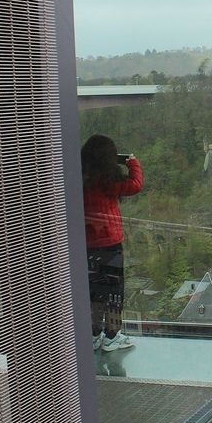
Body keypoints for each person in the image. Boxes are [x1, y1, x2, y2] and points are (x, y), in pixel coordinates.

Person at [81, 135, 143, 352]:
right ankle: (112, 336)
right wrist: (132, 162)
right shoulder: (109, 181)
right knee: (114, 292)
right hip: (110, 244)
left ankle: (94, 333)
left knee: (95, 292)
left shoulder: (81, 179)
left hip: (87, 246)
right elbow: (135, 184)